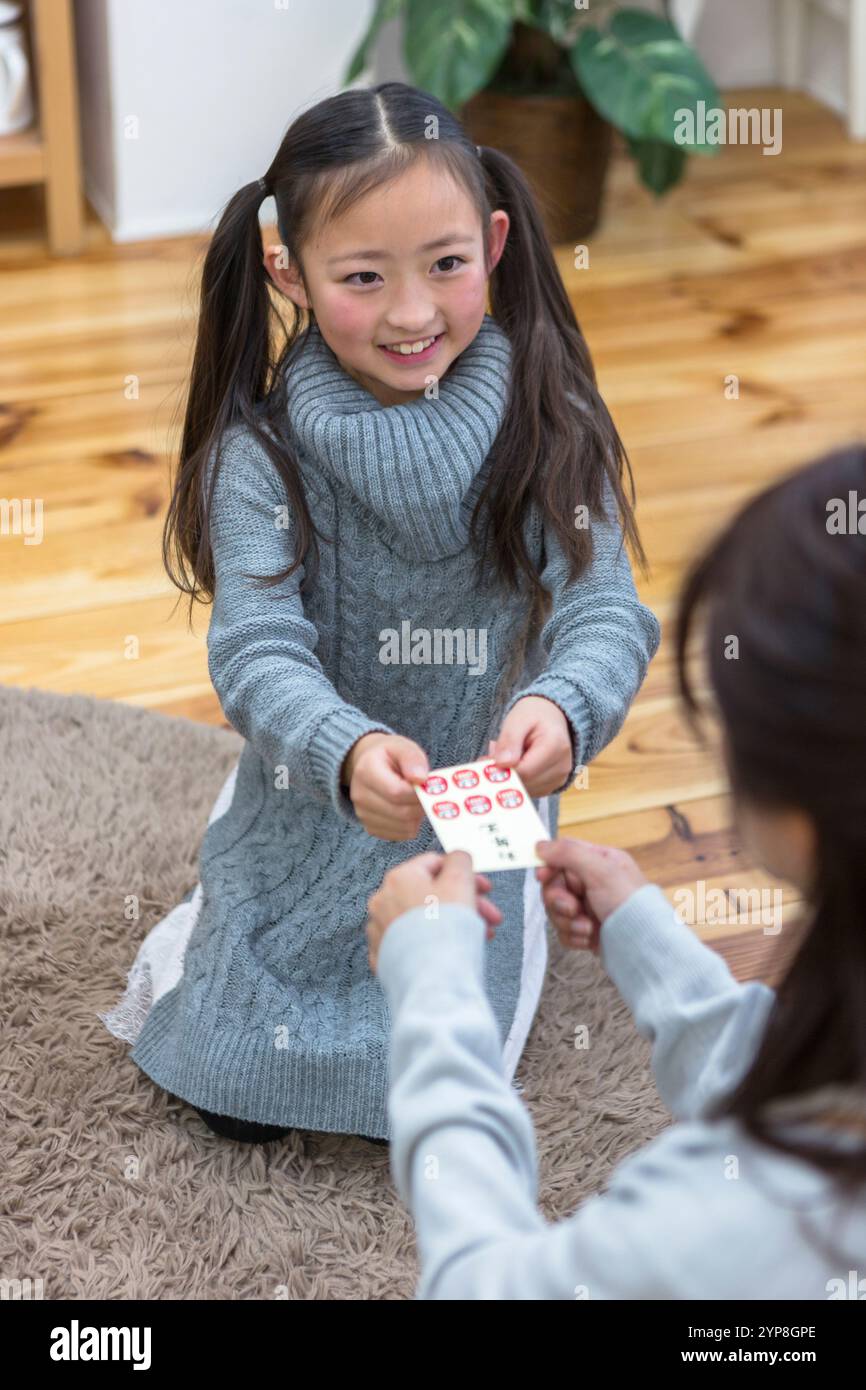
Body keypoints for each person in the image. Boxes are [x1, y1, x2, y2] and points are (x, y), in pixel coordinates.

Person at [99, 81, 659, 1144]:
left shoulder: (550, 418)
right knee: (225, 1072)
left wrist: (565, 705)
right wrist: (344, 749)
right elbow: (257, 652)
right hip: (316, 790)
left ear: (494, 244)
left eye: (445, 265)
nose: (411, 314)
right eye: (362, 277)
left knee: (420, 1073)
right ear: (289, 275)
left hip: (468, 806)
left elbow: (605, 606)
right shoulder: (258, 458)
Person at [366, 443, 866, 1296]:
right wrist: (654, 945)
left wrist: (433, 992)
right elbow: (804, 1100)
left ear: (803, 814)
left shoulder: (746, 1221)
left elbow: (484, 1287)